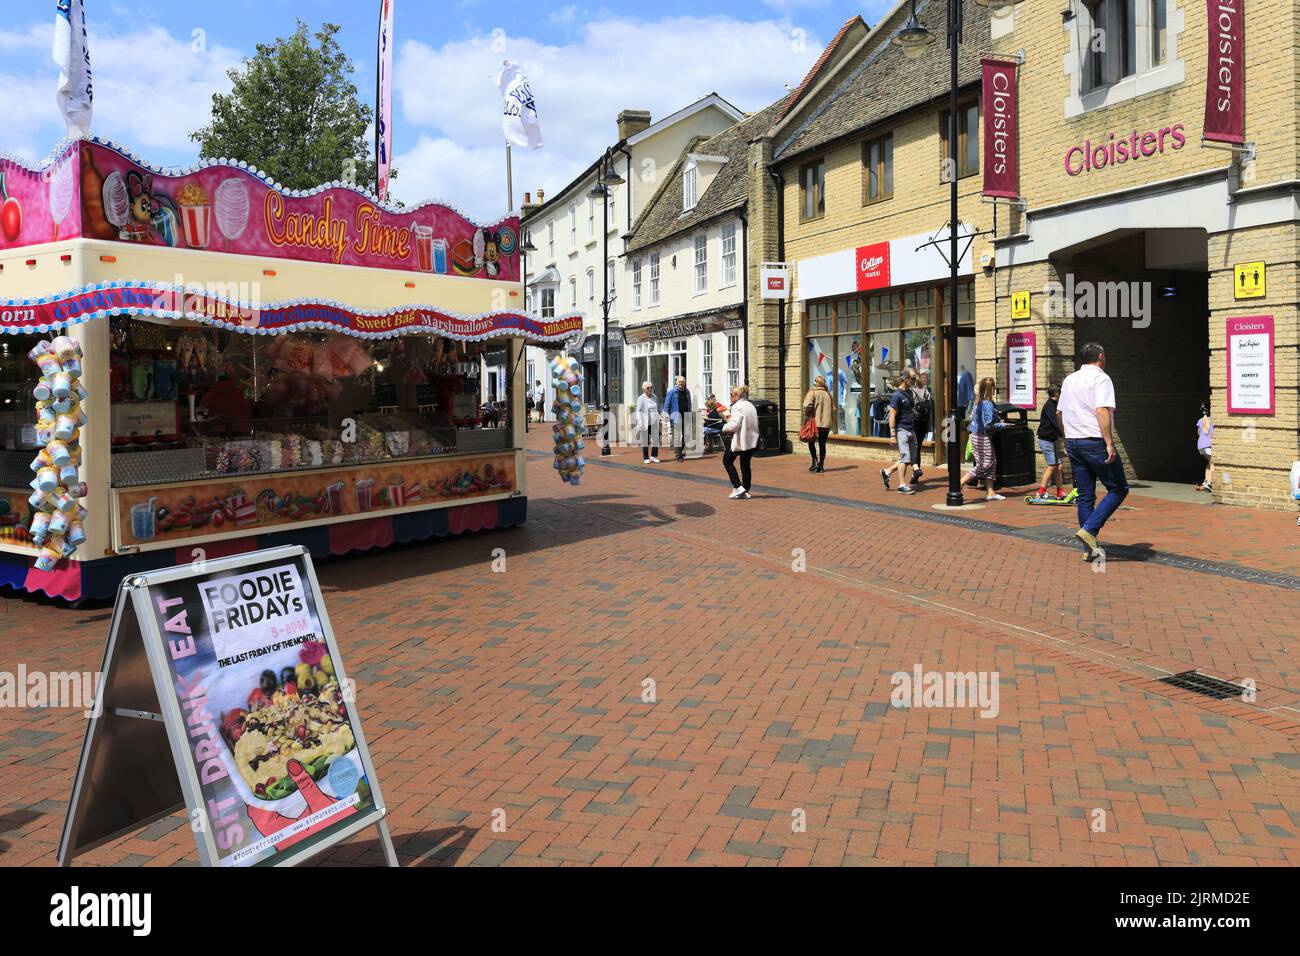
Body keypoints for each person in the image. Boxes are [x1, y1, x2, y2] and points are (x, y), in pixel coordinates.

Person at [1058, 342, 1128, 561]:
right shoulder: (1101, 378)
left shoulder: (1070, 379)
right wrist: (1108, 442)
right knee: (1118, 488)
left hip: (1074, 442)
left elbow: (1059, 412)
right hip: (1094, 441)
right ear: (1100, 356)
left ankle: (1090, 548)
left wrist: (1067, 438)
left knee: (1085, 495)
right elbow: (1101, 410)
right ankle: (1090, 529)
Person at [962, 376, 1010, 501]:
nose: (995, 390)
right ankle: (959, 483)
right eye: (994, 387)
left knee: (992, 462)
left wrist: (998, 420)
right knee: (985, 464)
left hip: (977, 436)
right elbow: (988, 425)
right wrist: (1003, 425)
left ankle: (990, 492)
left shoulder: (979, 401)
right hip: (982, 437)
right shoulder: (987, 404)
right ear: (991, 389)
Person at [881, 371, 920, 494]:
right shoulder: (897, 395)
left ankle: (887, 472)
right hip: (902, 430)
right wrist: (892, 434)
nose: (915, 380)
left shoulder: (909, 392)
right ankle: (902, 485)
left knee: (910, 459)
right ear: (905, 379)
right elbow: (892, 415)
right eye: (913, 378)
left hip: (911, 429)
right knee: (904, 458)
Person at [721, 384, 759, 499]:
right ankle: (745, 490)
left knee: (727, 460)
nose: (730, 397)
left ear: (737, 396)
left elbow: (734, 425)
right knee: (745, 464)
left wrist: (723, 427)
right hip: (751, 439)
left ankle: (738, 487)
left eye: (731, 395)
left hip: (740, 440)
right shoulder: (750, 405)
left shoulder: (738, 407)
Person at [1035, 385, 1066, 500]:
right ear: (1057, 394)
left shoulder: (1054, 405)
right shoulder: (1050, 406)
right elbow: (1055, 423)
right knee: (1052, 466)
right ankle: (1041, 492)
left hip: (1051, 440)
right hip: (1045, 440)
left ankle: (1060, 492)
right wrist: (1064, 436)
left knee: (1059, 467)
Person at [802, 375, 835, 472]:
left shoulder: (812, 393)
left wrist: (807, 414)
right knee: (822, 444)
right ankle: (821, 465)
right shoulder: (828, 394)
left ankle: (814, 461)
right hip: (826, 424)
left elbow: (807, 406)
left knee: (811, 442)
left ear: (816, 383)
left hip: (814, 423)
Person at [663, 375, 693, 462]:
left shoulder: (687, 392)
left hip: (686, 416)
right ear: (676, 382)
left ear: (685, 382)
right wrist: (666, 414)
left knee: (687, 436)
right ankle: (678, 455)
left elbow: (689, 404)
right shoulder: (672, 392)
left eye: (682, 382)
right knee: (677, 436)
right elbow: (666, 404)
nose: (681, 383)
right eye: (679, 382)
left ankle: (679, 449)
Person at [911, 369, 934, 482]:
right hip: (923, 422)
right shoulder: (926, 390)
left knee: (913, 447)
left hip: (914, 421)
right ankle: (916, 472)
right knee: (918, 446)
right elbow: (930, 406)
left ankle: (916, 471)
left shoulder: (911, 391)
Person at [635, 381, 661, 464]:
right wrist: (640, 422)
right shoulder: (641, 398)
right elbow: (638, 411)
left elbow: (658, 408)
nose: (650, 389)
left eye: (651, 387)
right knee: (645, 440)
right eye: (648, 388)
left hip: (654, 422)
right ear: (644, 389)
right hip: (645, 422)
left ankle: (653, 456)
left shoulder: (655, 397)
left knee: (656, 439)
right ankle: (646, 457)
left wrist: (663, 415)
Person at [1194, 402, 1214, 492]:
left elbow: (1198, 433)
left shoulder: (1200, 420)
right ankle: (1209, 483)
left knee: (1209, 463)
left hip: (1200, 445)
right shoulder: (1213, 420)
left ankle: (1205, 481)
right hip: (1208, 445)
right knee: (1213, 463)